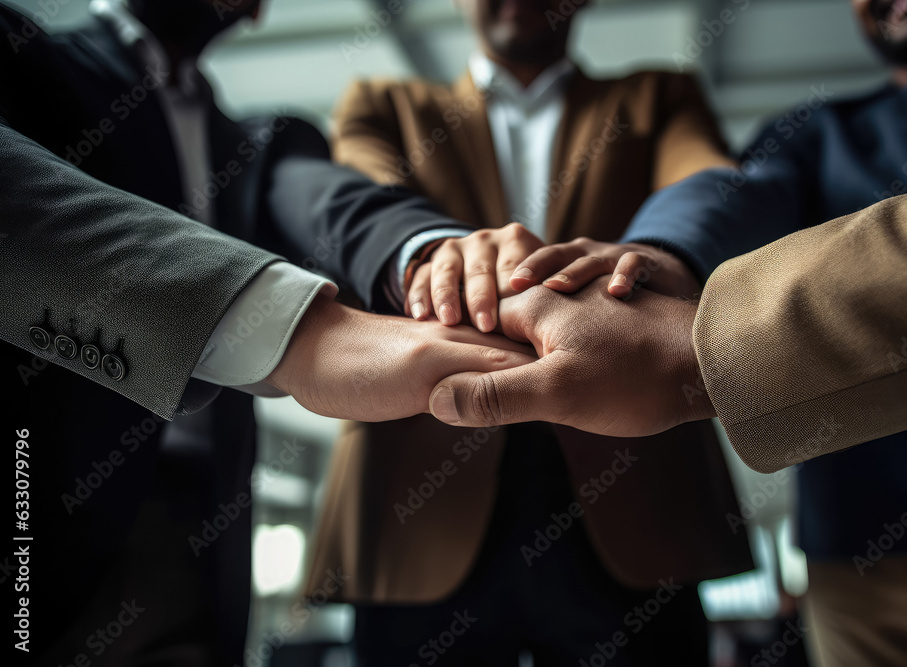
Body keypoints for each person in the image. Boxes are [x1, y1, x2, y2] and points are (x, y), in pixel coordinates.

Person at [471, 0, 907, 663]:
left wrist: (697, 348)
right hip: (874, 545)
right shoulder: (818, 133)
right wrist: (665, 252)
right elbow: (732, 192)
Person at [0, 1, 529, 664]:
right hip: (39, 506)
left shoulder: (260, 140)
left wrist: (425, 252)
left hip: (202, 520)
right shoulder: (24, 51)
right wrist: (306, 336)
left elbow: (333, 203)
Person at [303, 0, 751, 662]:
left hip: (633, 488)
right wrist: (429, 252)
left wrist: (661, 250)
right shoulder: (381, 102)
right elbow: (358, 213)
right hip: (417, 499)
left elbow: (709, 183)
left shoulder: (660, 94)